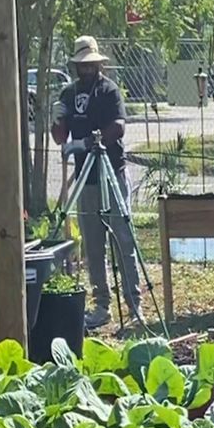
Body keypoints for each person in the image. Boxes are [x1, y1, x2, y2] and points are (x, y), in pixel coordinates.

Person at [51, 36, 141, 329]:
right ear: (77, 66)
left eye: (92, 65)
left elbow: (119, 126)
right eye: (83, 65)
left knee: (123, 239)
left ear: (98, 64)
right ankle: (101, 303)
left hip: (111, 173)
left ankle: (133, 302)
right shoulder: (69, 93)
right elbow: (59, 138)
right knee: (93, 245)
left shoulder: (108, 90)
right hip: (86, 180)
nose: (87, 70)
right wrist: (58, 120)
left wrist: (89, 141)